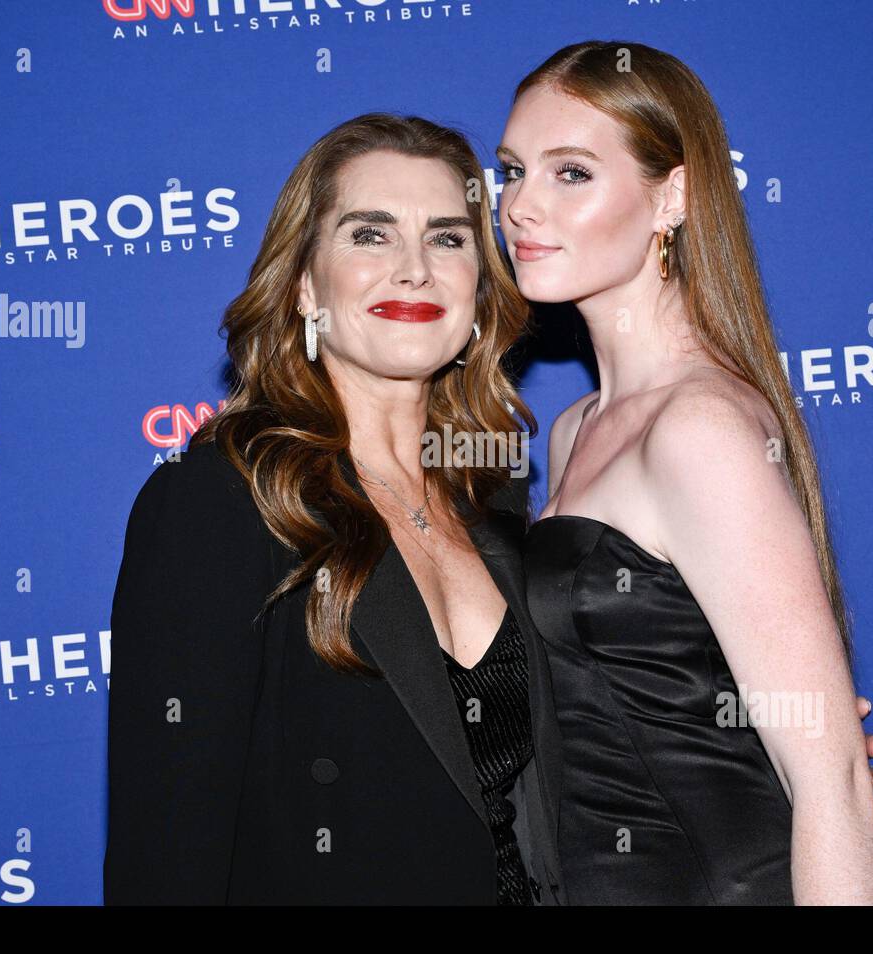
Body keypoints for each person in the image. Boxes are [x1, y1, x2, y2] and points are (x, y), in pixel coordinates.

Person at [104, 113, 558, 904]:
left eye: (448, 239)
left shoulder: (491, 493)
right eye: (371, 235)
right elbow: (167, 852)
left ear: (481, 291)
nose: (414, 270)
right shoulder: (219, 500)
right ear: (305, 285)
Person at [498, 41, 873, 903]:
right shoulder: (573, 430)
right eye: (513, 170)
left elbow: (833, 781)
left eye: (571, 173)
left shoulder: (697, 428)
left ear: (671, 197)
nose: (520, 205)